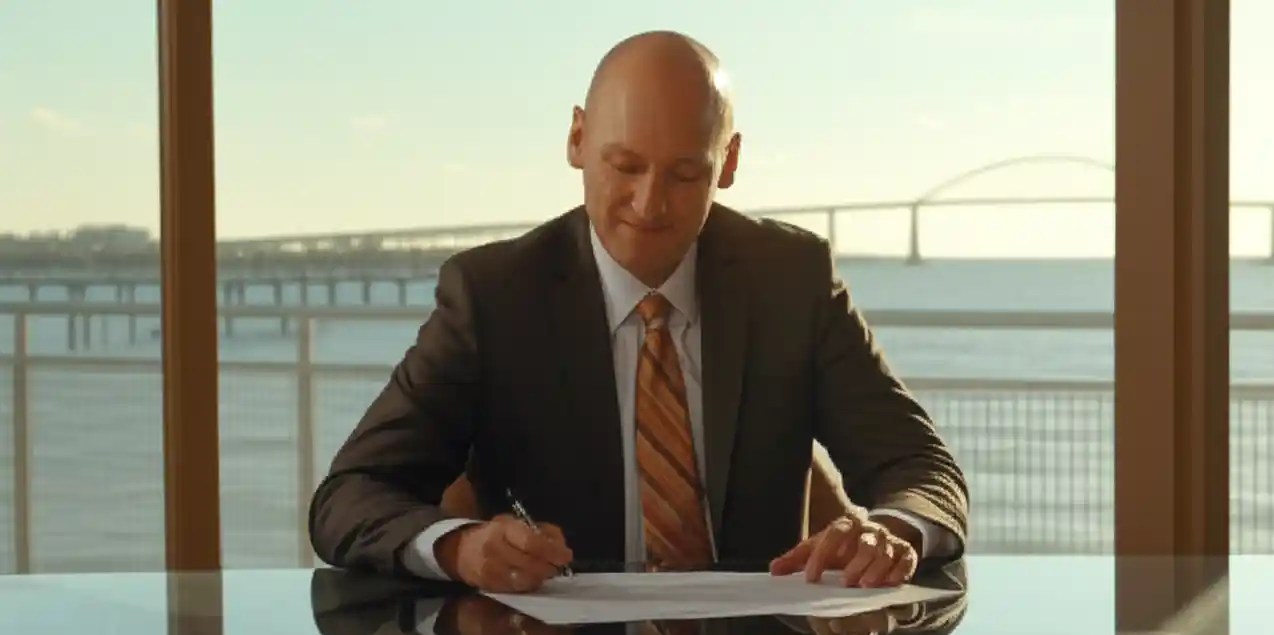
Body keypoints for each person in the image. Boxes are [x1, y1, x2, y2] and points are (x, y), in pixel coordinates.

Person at [309, 30, 968, 593]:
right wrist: (458, 547)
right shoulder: (495, 293)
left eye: (685, 174)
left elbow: (921, 468)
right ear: (576, 139)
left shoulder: (789, 279)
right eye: (624, 165)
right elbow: (350, 495)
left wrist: (892, 530)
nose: (649, 205)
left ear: (729, 162)